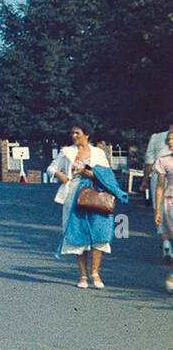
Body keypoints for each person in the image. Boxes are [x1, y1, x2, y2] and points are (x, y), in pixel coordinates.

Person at [47, 122, 128, 289]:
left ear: (87, 135)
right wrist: (59, 174)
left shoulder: (98, 153)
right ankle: (82, 275)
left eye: (77, 133)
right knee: (79, 233)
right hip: (74, 194)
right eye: (72, 133)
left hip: (96, 195)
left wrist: (94, 174)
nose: (74, 136)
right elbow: (51, 168)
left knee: (99, 232)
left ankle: (95, 273)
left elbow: (107, 174)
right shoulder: (67, 152)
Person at [153, 131, 173, 290]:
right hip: (170, 203)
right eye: (169, 140)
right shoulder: (164, 161)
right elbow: (160, 187)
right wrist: (157, 210)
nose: (170, 142)